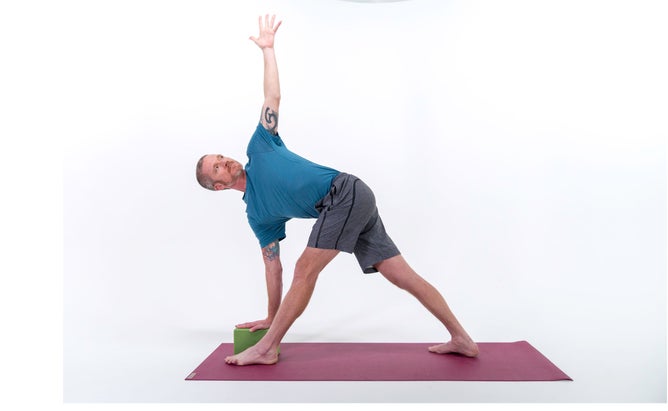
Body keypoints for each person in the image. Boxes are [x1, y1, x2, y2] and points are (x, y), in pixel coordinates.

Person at [196, 14, 479, 366]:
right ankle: (463, 338)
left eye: (221, 156)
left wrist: (268, 50)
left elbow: (273, 95)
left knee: (306, 268)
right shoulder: (258, 215)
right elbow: (273, 268)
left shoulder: (260, 146)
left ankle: (267, 347)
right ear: (219, 186)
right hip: (345, 205)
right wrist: (270, 314)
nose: (226, 161)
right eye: (218, 167)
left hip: (344, 192)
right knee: (399, 274)